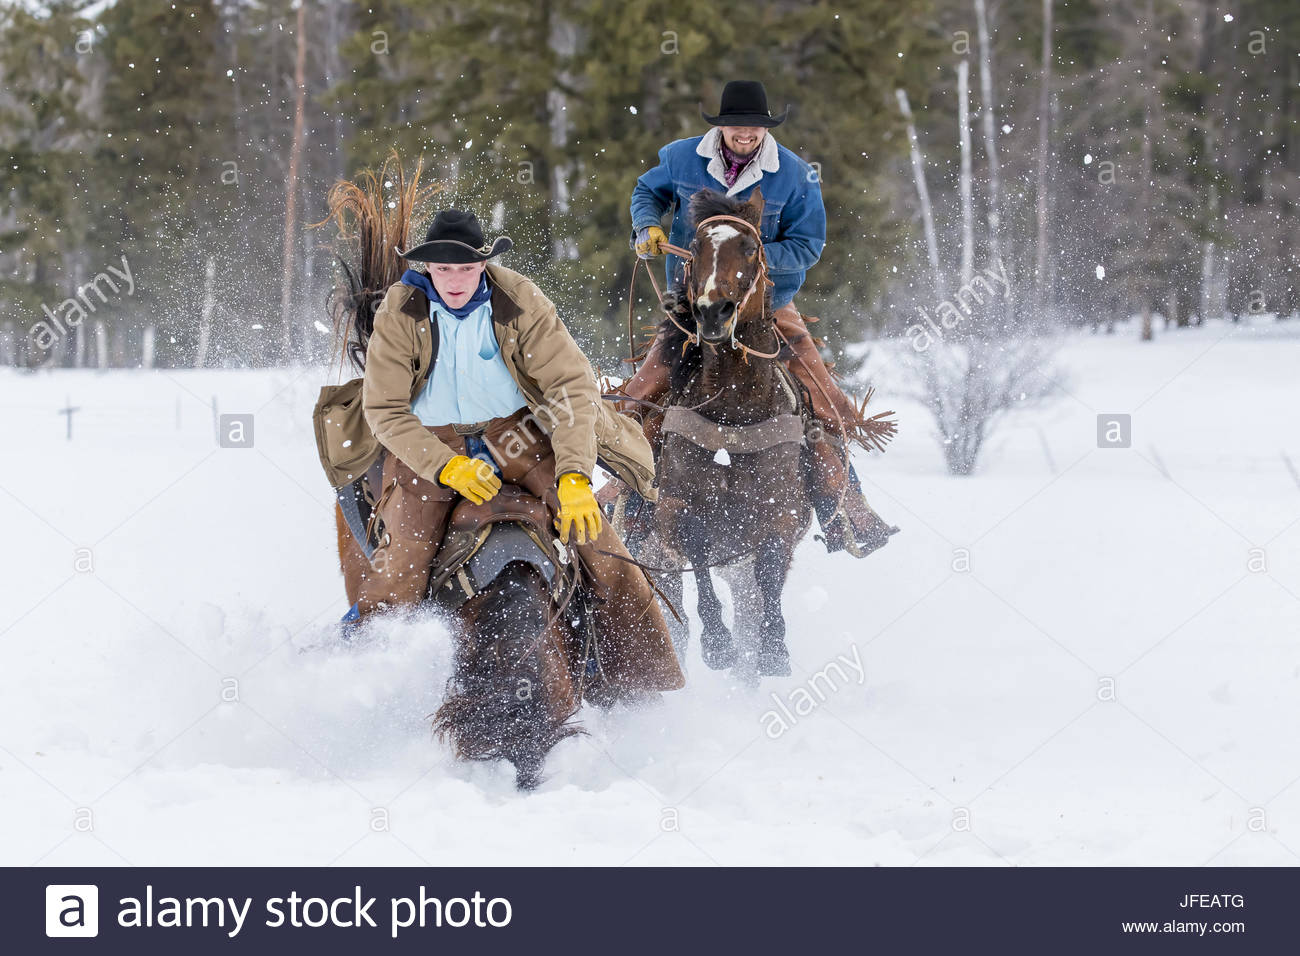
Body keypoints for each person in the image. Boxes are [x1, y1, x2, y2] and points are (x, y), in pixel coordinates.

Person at [320, 208, 682, 695]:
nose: (454, 280)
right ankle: (364, 682)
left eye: (465, 269)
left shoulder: (519, 299)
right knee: (400, 573)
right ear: (427, 267)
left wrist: (575, 476)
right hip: (428, 438)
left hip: (517, 430)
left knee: (604, 550)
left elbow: (571, 388)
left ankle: (646, 682)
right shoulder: (400, 310)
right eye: (443, 269)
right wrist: (445, 466)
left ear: (483, 266)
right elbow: (385, 409)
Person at [608, 80, 899, 558]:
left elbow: (809, 246)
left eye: (754, 126)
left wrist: (751, 258)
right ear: (721, 126)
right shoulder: (681, 158)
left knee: (823, 396)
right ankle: (624, 500)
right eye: (736, 125)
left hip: (767, 304)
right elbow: (646, 191)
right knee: (642, 392)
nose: (745, 133)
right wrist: (648, 225)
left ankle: (847, 504)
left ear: (766, 128)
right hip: (693, 305)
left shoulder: (796, 175)